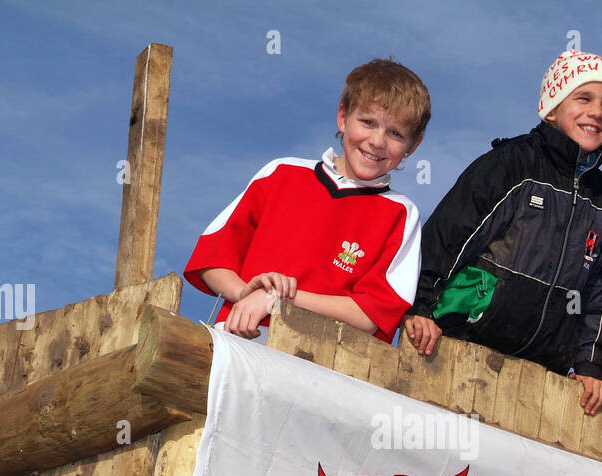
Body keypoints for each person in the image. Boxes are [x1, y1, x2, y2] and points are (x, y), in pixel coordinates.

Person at [403, 50, 602, 415]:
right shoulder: (512, 164)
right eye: (583, 98)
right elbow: (449, 235)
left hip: (541, 376)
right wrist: (421, 308)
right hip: (460, 345)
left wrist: (590, 366)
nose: (597, 112)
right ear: (552, 108)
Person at [184, 59, 430, 344]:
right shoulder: (281, 173)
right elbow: (213, 259)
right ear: (342, 116)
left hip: (326, 367)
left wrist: (277, 300)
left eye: (395, 133)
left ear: (413, 146)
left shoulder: (402, 214)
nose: (377, 140)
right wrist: (245, 294)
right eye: (368, 122)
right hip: (237, 347)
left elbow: (370, 315)